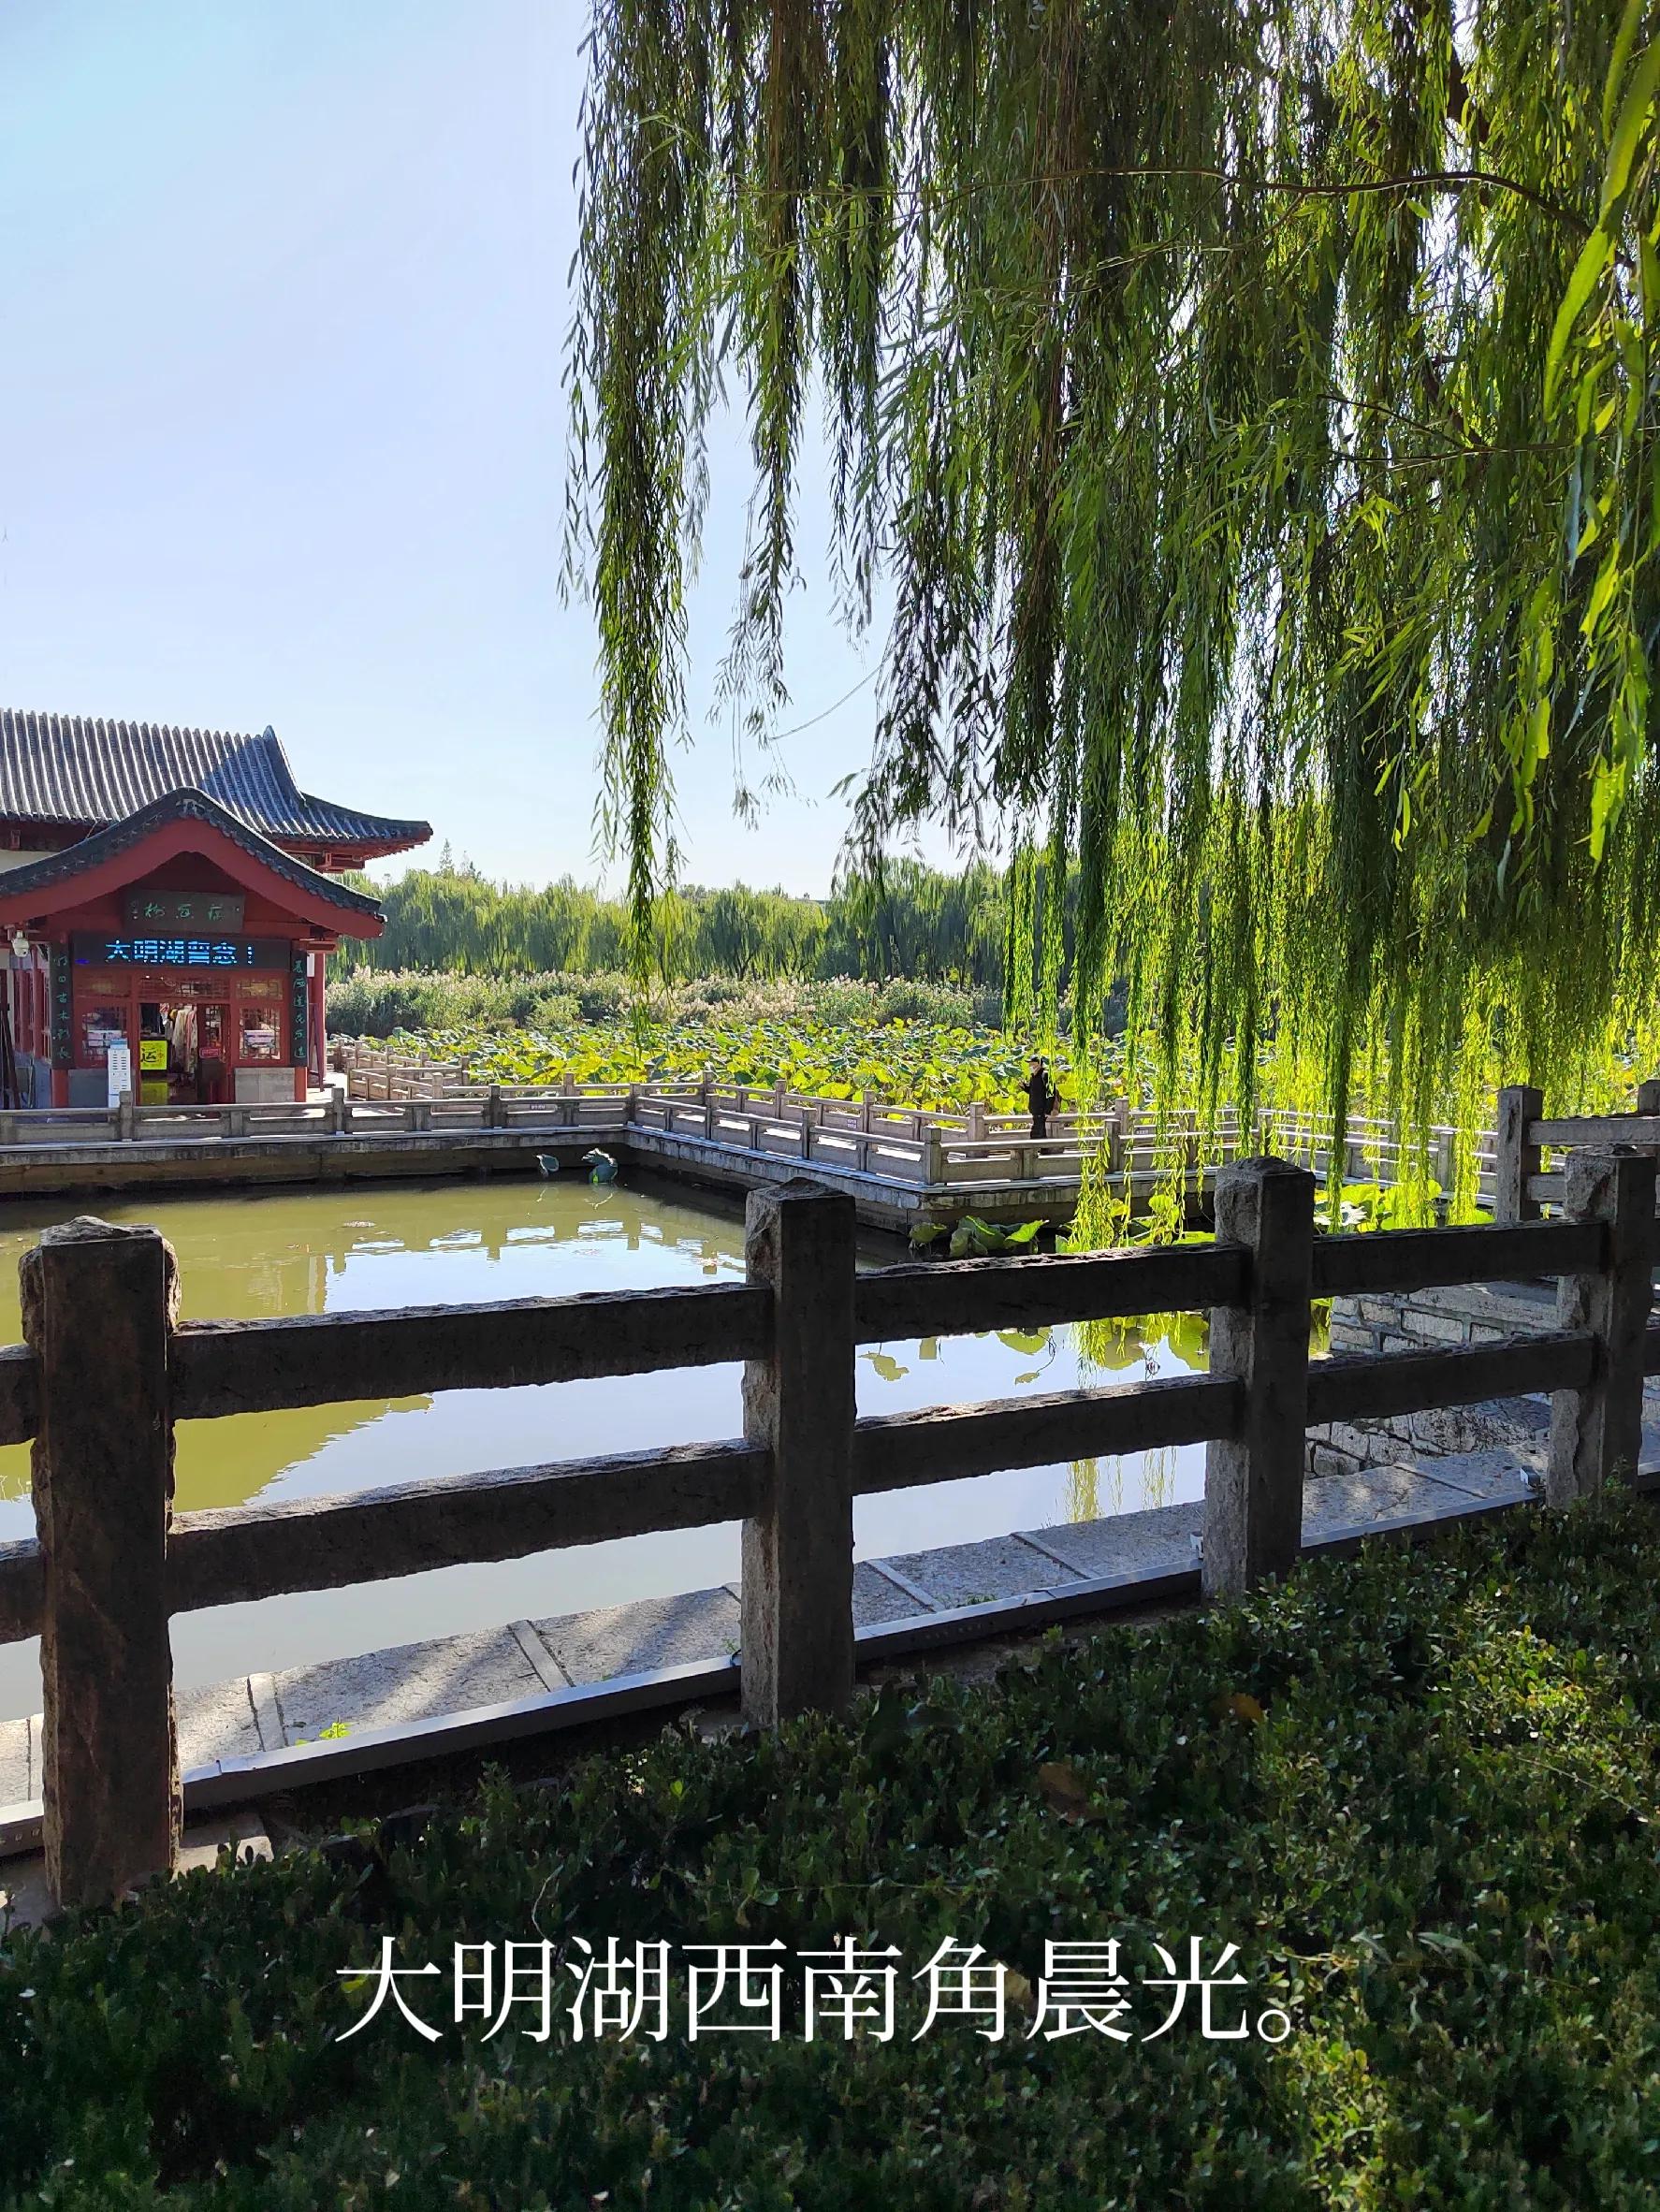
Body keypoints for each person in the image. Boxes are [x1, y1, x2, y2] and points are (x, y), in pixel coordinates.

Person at [1025, 1055, 1060, 1140]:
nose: (1030, 1066)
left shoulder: (1045, 1075)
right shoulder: (1033, 1076)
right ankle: (1044, 1150)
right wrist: (1025, 1087)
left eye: (1032, 1064)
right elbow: (1033, 1092)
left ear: (1039, 1064)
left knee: (1036, 1134)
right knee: (1040, 1133)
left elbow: (1051, 1093)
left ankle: (1039, 1150)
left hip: (1042, 1110)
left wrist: (1048, 1109)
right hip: (1035, 1110)